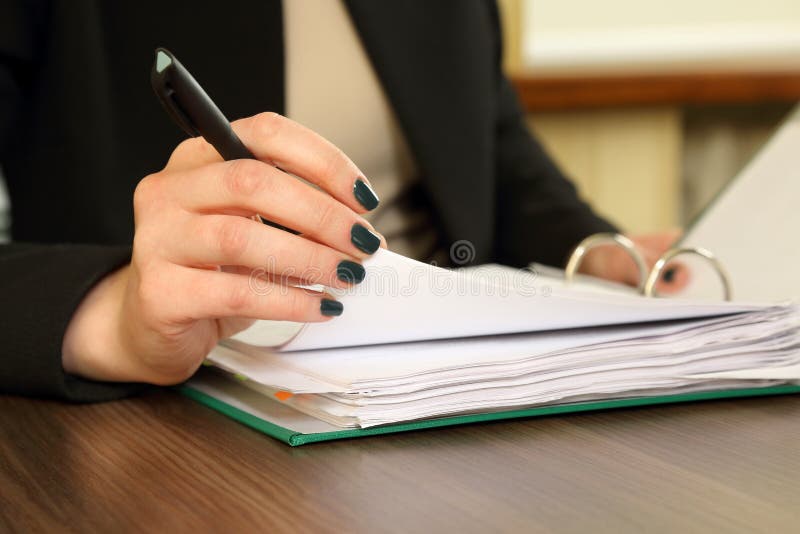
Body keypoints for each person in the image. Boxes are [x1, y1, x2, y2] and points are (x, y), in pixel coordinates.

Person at [0, 1, 682, 401]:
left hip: (442, 372)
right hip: (182, 403)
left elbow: (489, 140)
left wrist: (594, 250)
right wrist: (113, 319)